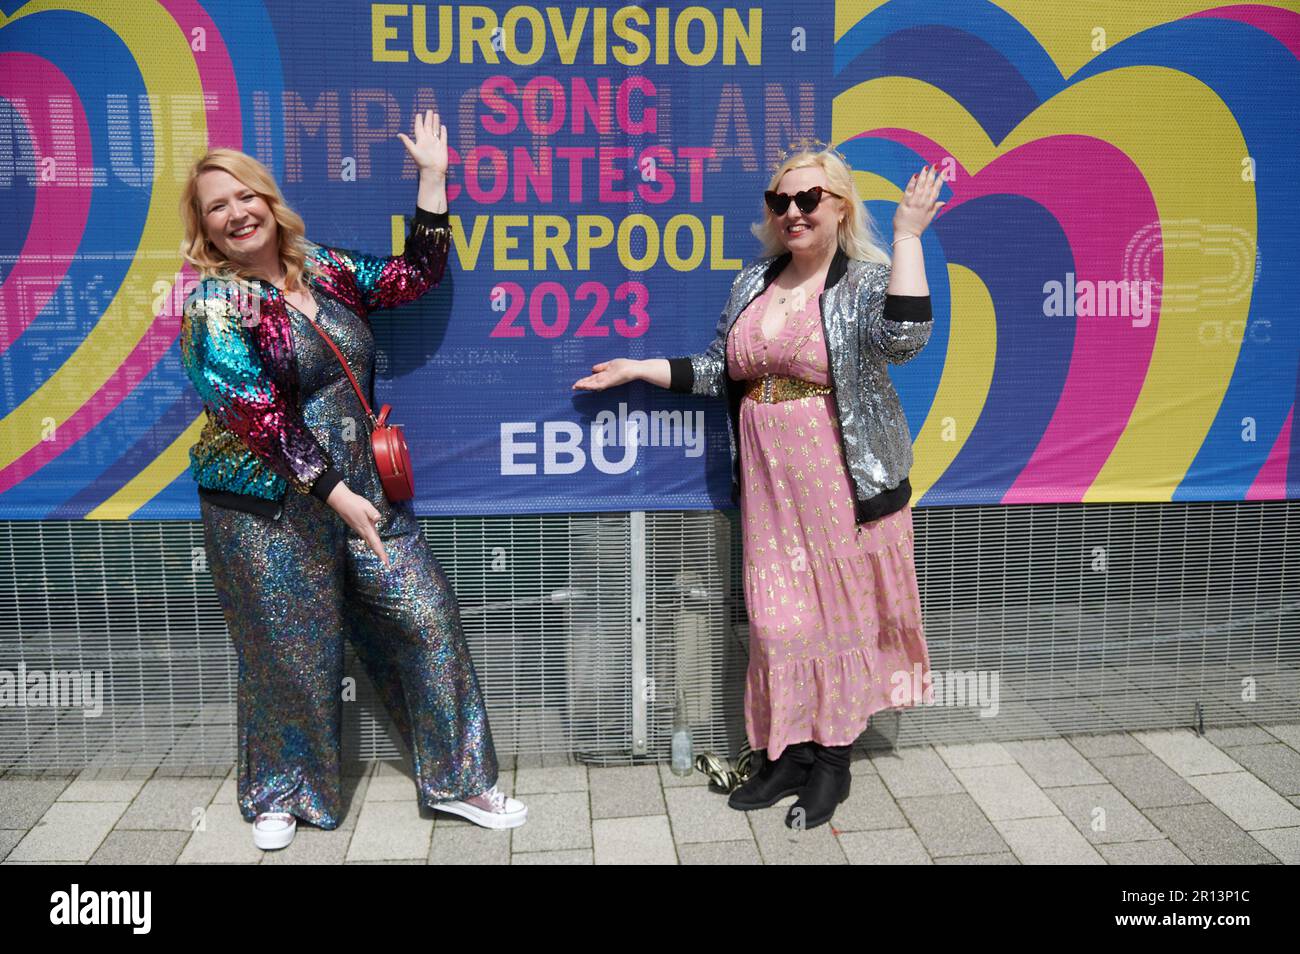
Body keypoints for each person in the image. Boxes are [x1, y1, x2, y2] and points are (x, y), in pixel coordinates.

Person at [177, 111, 525, 851]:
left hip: (365, 492)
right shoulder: (215, 304)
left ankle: (461, 781)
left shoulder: (326, 271)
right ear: (205, 230)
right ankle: (282, 792)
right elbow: (257, 418)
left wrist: (432, 178)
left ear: (269, 202)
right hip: (265, 506)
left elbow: (412, 276)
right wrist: (338, 497)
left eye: (246, 196)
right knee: (287, 656)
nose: (237, 213)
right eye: (218, 207)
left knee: (426, 619)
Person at [573, 145, 942, 830]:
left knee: (838, 621)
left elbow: (904, 339)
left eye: (809, 200)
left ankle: (831, 764)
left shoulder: (861, 282)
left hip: (839, 481)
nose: (793, 213)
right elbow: (720, 369)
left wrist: (909, 237)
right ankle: (785, 753)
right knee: (778, 622)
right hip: (769, 485)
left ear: (840, 207)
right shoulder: (752, 284)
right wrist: (637, 368)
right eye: (781, 202)